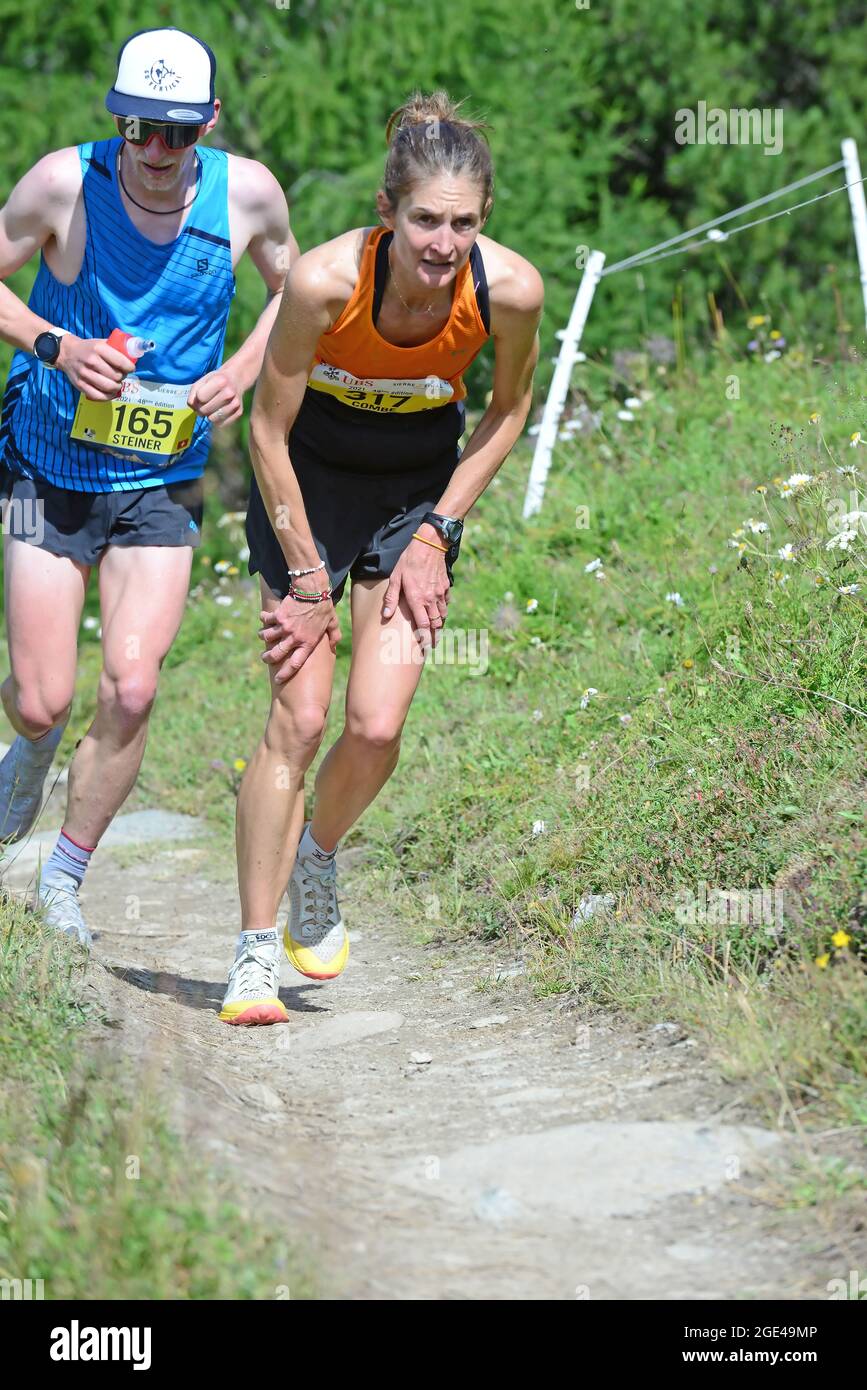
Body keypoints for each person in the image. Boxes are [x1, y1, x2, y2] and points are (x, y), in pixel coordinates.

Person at [220, 90, 543, 1025]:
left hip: (414, 495)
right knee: (302, 716)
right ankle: (250, 959)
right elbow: (268, 434)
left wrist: (439, 531)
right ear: (386, 213)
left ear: (484, 221)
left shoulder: (508, 290)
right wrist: (308, 576)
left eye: (464, 223)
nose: (443, 244)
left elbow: (507, 410)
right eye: (425, 221)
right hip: (309, 489)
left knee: (374, 726)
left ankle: (316, 859)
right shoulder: (324, 284)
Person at [0, 27, 296, 947]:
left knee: (131, 689)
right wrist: (56, 344)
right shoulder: (61, 182)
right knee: (44, 697)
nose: (158, 153)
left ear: (208, 121)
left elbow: (303, 288)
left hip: (163, 479)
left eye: (176, 132)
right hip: (45, 469)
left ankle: (63, 879)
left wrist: (246, 364)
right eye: (139, 131)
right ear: (116, 124)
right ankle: (34, 749)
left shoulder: (247, 193)